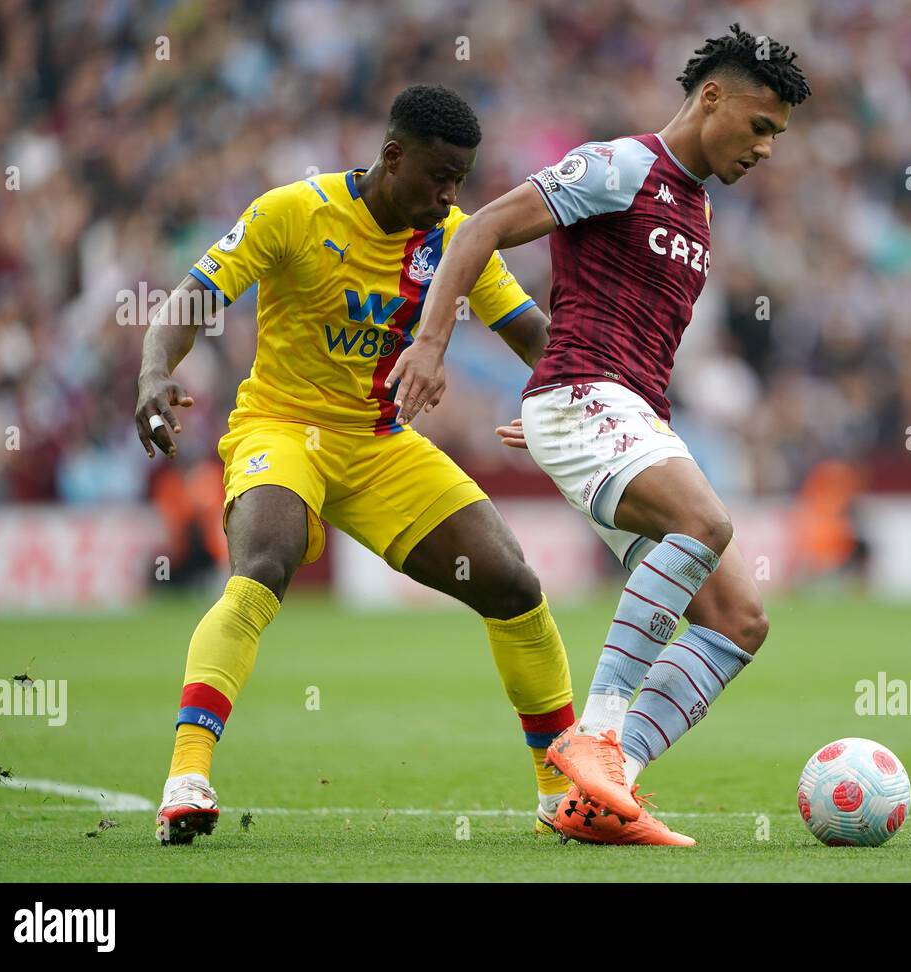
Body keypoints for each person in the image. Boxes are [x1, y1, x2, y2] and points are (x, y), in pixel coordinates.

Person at [136, 84, 597, 844]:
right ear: (392, 157)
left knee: (513, 584)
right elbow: (191, 300)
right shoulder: (294, 211)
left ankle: (560, 791)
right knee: (266, 562)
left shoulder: (454, 236)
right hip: (282, 428)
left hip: (381, 445)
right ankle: (187, 773)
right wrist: (155, 372)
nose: (450, 195)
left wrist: (595, 390)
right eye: (438, 176)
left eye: (461, 180)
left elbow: (530, 333)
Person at [384, 26, 811, 845]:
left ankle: (601, 797)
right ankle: (599, 737)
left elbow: (625, 326)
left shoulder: (699, 208)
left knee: (738, 620)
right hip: (587, 399)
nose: (766, 148)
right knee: (706, 524)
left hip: (615, 412)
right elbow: (478, 232)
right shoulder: (619, 165)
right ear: (711, 96)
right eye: (760, 126)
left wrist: (567, 415)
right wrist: (433, 346)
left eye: (777, 138)